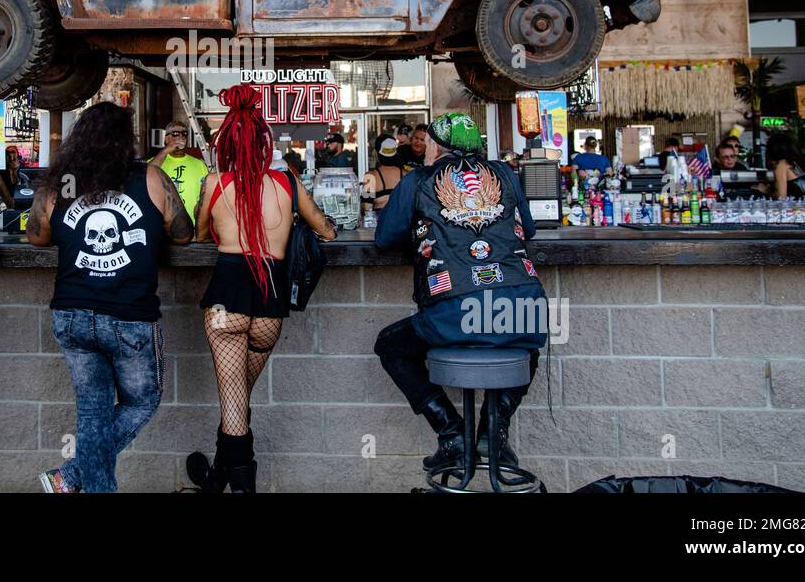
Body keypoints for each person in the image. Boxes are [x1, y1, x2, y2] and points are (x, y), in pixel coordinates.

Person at [26, 103, 193, 493]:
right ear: (126, 140)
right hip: (129, 315)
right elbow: (183, 233)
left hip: (71, 314)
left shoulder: (61, 183)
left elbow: (37, 234)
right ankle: (69, 478)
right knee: (141, 401)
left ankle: (70, 478)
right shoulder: (150, 176)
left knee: (93, 414)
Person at [372, 112, 547, 478]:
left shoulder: (418, 180)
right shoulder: (505, 175)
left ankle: (451, 433)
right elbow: (527, 229)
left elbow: (385, 239)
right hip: (524, 305)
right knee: (527, 341)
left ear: (436, 146)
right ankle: (492, 434)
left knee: (390, 345)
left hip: (454, 310)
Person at [186, 85, 337, 492]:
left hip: (226, 302)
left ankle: (239, 486)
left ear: (226, 145)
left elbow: (201, 236)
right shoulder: (287, 182)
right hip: (269, 303)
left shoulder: (215, 182)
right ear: (265, 143)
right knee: (238, 402)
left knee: (235, 406)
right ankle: (217, 477)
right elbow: (325, 229)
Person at [150, 120, 209, 222]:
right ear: (166, 138)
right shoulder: (154, 163)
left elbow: (207, 196)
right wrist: (167, 150)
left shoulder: (200, 165)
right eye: (175, 134)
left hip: (193, 229)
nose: (180, 137)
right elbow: (147, 176)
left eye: (184, 134)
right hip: (163, 229)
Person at [361, 133, 405, 212]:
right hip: (403, 222)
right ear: (395, 152)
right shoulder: (406, 175)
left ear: (376, 153)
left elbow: (366, 207)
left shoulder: (370, 177)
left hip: (381, 222)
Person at [765, 132, 805, 199]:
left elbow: (781, 197)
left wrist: (766, 191)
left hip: (804, 207)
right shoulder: (801, 162)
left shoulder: (782, 165)